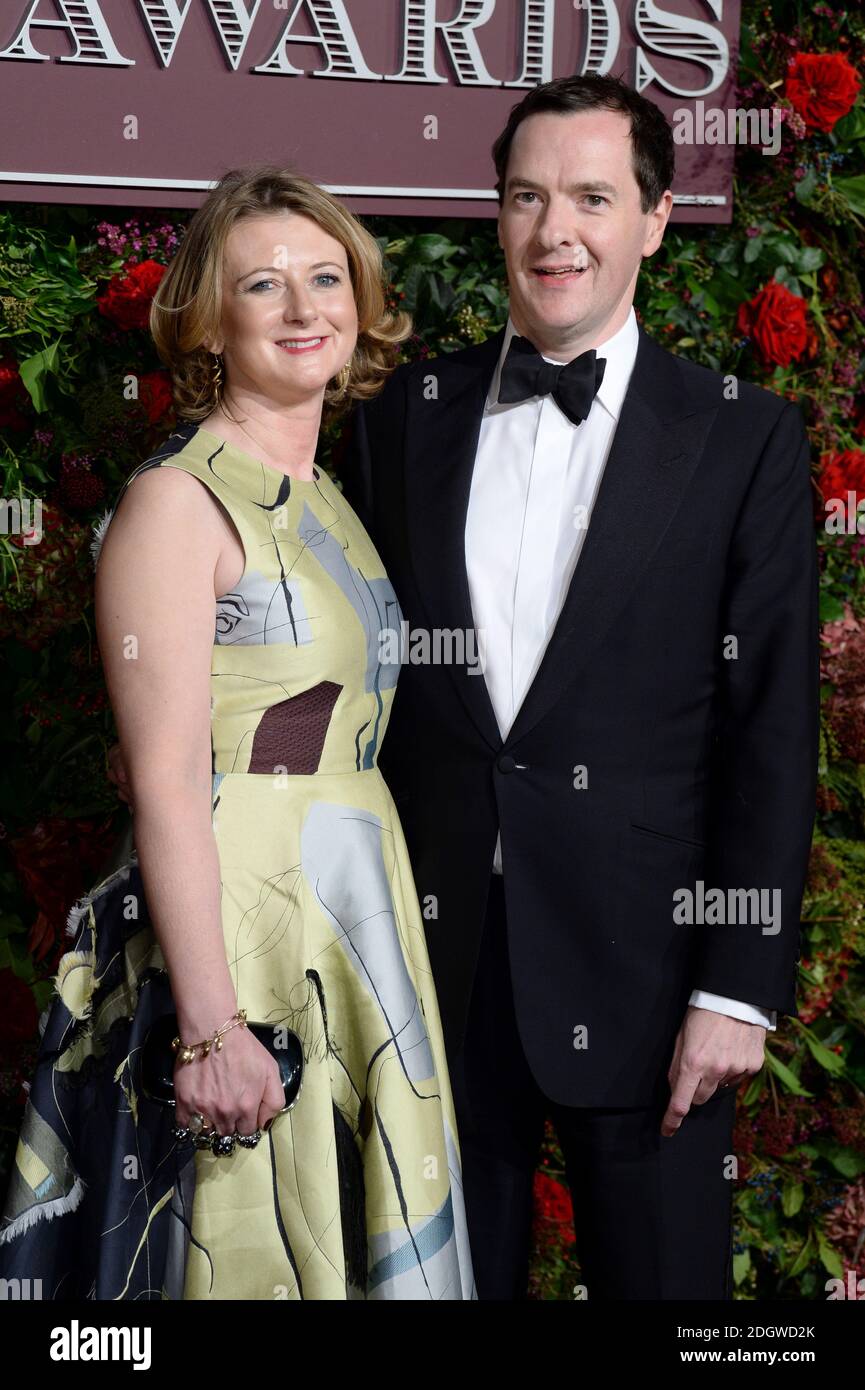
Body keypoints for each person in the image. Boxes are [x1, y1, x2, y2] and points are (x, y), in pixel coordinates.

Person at [337, 74, 820, 1299]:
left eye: (593, 198)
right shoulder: (402, 418)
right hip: (430, 985)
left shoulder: (741, 434)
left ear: (654, 220)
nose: (557, 232)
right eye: (527, 197)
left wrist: (737, 987)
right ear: (496, 216)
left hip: (654, 983)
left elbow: (771, 727)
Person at [0, 165, 476, 1301]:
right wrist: (212, 1030)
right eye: (266, 285)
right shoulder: (178, 500)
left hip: (350, 903)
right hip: (240, 926)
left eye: (327, 277)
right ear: (211, 316)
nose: (306, 307)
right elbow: (166, 783)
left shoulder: (325, 493)